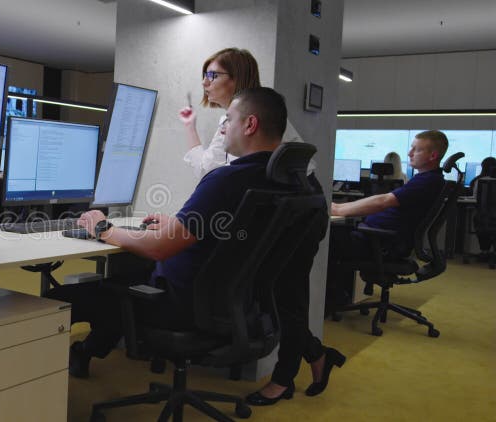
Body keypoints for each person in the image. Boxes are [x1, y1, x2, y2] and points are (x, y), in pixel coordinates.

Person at [49, 89, 341, 405]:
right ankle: (83, 354)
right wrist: (177, 226)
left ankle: (44, 386)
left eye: (228, 119)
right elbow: (231, 236)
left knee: (61, 299)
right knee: (123, 279)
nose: (222, 127)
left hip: (176, 306)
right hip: (239, 308)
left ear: (250, 124)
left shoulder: (227, 180)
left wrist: (103, 228)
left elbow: (159, 249)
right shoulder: (286, 187)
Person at [328, 131, 448, 309]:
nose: (409, 153)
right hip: (381, 240)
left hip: (380, 244)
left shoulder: (427, 181)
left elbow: (384, 201)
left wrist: (339, 209)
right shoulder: (427, 179)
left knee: (325, 238)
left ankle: (332, 301)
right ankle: (337, 298)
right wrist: (341, 209)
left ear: (433, 156)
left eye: (416, 149)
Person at [178, 48, 261, 178]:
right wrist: (190, 125)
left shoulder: (240, 123)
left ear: (237, 78)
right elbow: (206, 169)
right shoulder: (229, 120)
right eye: (205, 75)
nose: (204, 82)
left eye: (213, 76)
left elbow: (205, 171)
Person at [470, 157, 496, 254]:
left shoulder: (478, 181)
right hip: (491, 218)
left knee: (484, 224)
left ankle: (484, 251)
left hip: (482, 217)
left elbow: (476, 198)